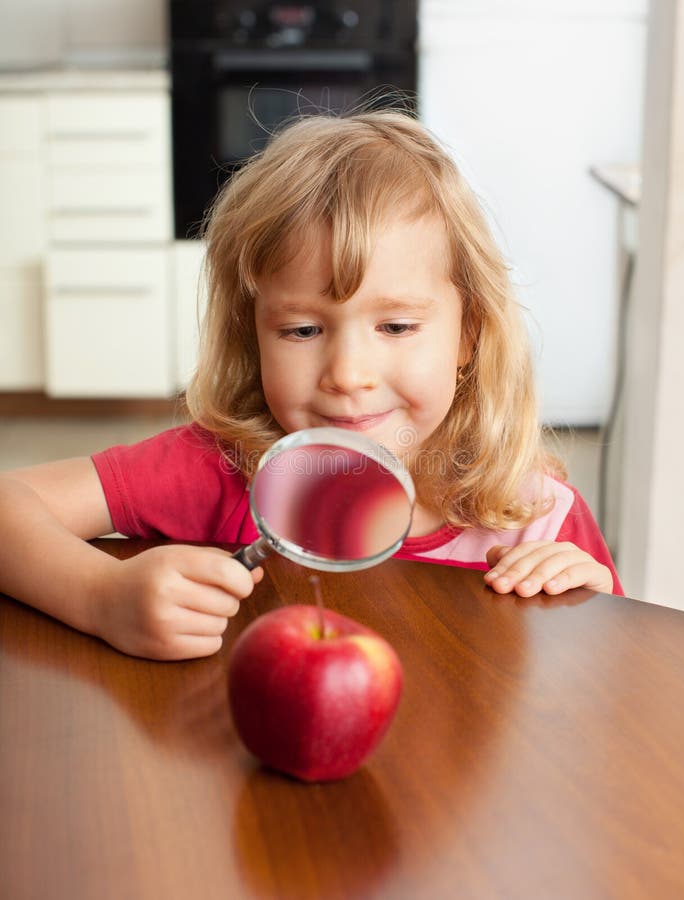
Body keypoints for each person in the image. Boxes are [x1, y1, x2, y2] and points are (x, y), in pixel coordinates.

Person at [0, 110, 622, 661]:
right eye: (301, 330)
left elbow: (619, 692)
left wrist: (584, 611)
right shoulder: (222, 467)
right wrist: (101, 596)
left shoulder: (539, 520)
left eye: (397, 325)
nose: (348, 375)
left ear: (469, 336)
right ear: (254, 338)